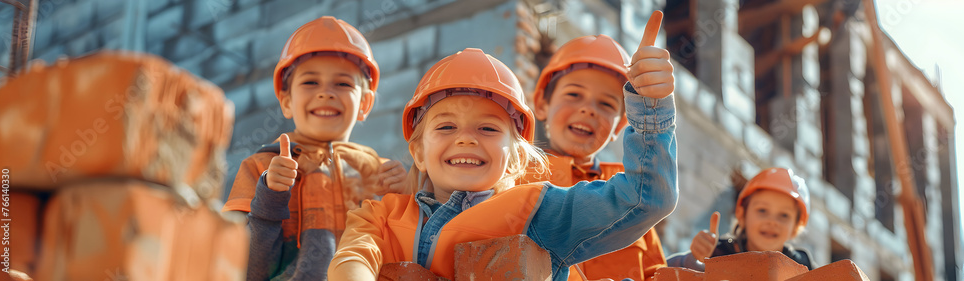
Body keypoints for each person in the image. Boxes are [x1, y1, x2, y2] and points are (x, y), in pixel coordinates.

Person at [328, 11, 678, 281]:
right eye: (447, 126)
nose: (466, 138)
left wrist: (650, 107)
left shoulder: (538, 211)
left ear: (516, 160)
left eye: (488, 128)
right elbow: (353, 257)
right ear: (418, 152)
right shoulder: (379, 216)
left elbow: (647, 198)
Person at [221, 16, 409, 280]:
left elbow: (407, 252)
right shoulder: (262, 167)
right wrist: (270, 197)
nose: (325, 93)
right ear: (286, 101)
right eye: (310, 82)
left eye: (342, 83)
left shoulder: (379, 173)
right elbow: (242, 267)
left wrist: (405, 197)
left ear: (365, 104)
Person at [521, 34, 668, 281]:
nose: (588, 109)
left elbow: (655, 273)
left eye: (606, 104)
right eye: (574, 95)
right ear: (542, 104)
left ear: (619, 126)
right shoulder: (516, 178)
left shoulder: (633, 192)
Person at [666, 168, 816, 271]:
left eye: (784, 215)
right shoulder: (718, 253)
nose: (772, 221)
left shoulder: (803, 267)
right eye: (762, 210)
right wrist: (694, 259)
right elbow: (663, 271)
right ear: (742, 215)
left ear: (796, 227)